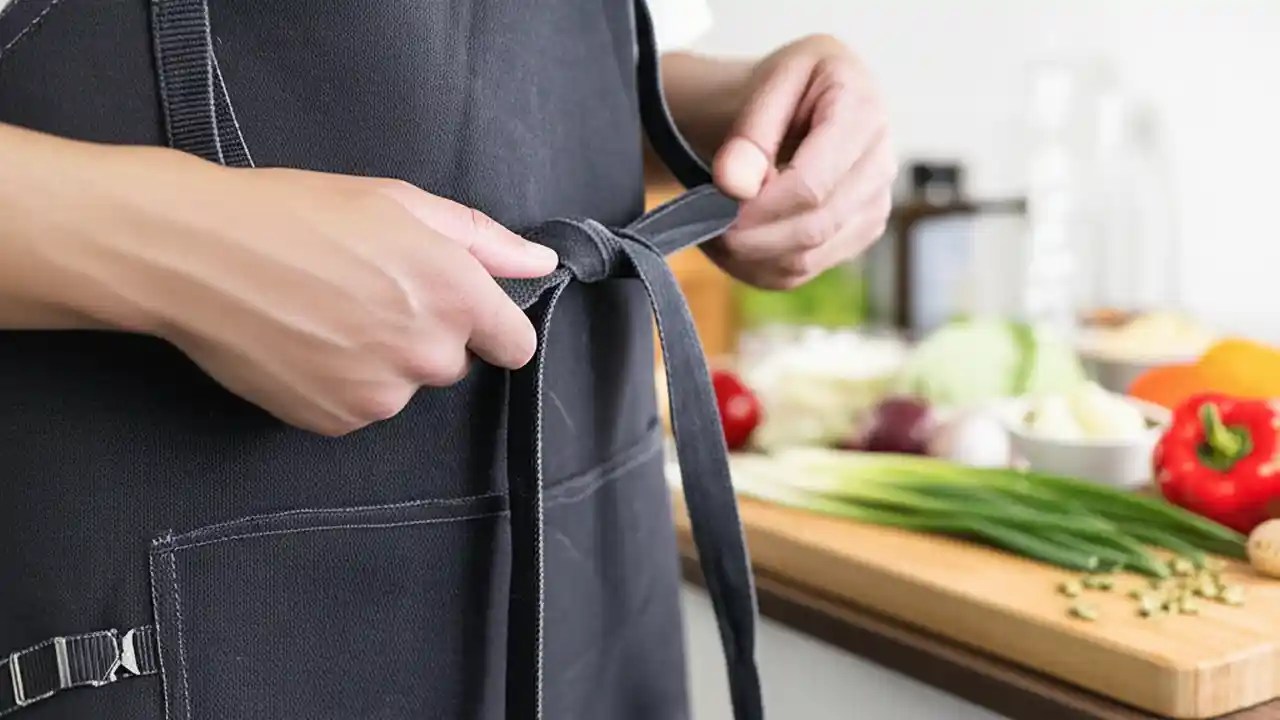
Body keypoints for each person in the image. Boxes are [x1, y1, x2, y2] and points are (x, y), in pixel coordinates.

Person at [0, 1, 893, 718]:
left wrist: (742, 114)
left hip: (594, 563)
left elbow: (553, 72)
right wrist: (180, 247)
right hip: (202, 597)